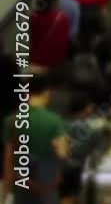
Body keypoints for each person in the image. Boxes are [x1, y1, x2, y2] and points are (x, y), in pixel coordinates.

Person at [2, 74, 67, 204]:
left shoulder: (11, 121)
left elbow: (8, 160)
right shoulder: (54, 120)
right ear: (48, 92)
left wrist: (5, 193)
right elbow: (62, 154)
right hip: (47, 186)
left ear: (26, 93)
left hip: (21, 187)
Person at [29, 0, 71, 70]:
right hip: (57, 61)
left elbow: (32, 38)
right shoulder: (62, 18)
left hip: (39, 62)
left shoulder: (34, 18)